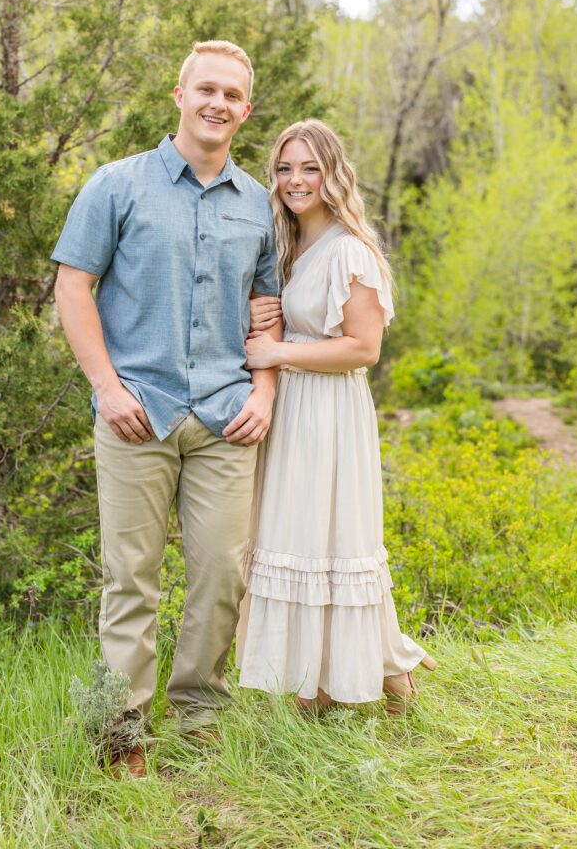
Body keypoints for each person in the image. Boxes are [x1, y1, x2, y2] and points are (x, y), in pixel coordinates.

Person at [51, 40, 283, 777]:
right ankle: (119, 734)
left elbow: (266, 312)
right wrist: (107, 387)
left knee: (222, 574)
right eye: (205, 89)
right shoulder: (117, 185)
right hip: (135, 412)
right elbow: (72, 287)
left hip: (225, 417)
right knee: (130, 577)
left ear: (245, 111)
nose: (217, 103)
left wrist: (266, 391)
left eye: (231, 95)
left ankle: (198, 721)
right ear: (178, 96)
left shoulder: (257, 205)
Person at [236, 119, 436, 715]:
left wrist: (275, 352)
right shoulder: (289, 245)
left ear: (333, 174)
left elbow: (363, 348)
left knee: (331, 540)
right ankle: (313, 683)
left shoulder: (349, 249)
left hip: (328, 412)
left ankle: (380, 679)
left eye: (310, 167)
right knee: (293, 537)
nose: (296, 180)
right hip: (291, 409)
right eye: (285, 168)